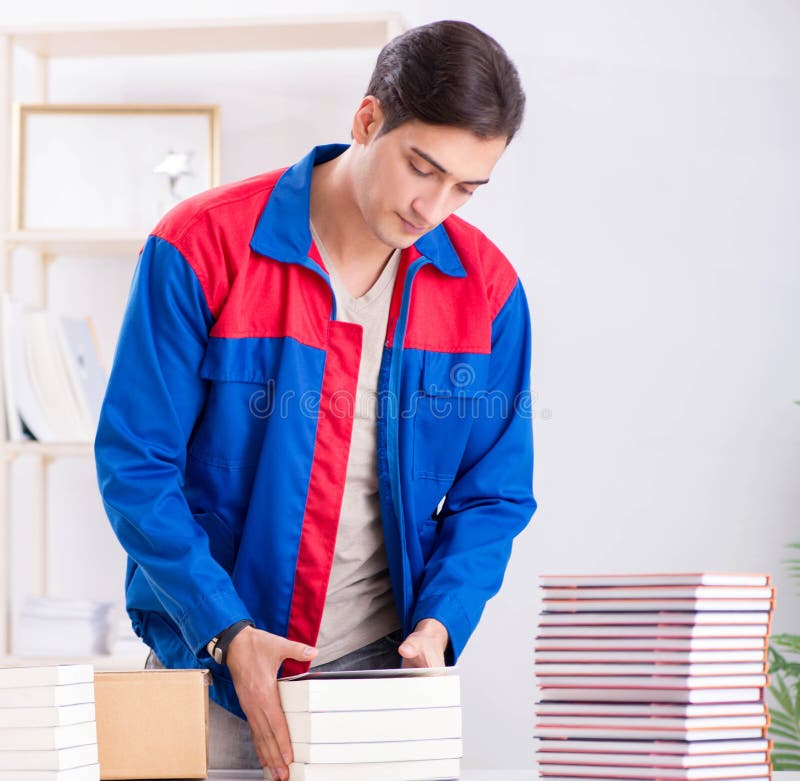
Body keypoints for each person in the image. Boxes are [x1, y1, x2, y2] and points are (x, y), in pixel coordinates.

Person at [94, 18, 537, 780]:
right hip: (206, 676)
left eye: (466, 187)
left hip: (379, 687)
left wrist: (440, 625)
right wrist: (224, 629)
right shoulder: (201, 247)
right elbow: (137, 466)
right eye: (421, 167)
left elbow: (492, 493)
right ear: (368, 119)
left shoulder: (488, 294)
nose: (434, 207)